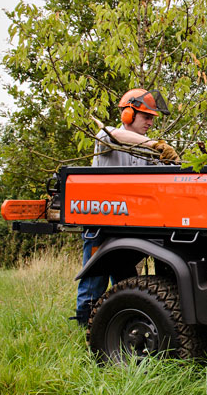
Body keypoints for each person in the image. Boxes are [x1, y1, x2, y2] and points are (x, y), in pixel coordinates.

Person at [73, 88, 180, 326]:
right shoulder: (108, 137)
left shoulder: (148, 150)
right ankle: (84, 328)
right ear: (128, 115)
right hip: (101, 223)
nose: (151, 122)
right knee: (94, 282)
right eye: (146, 117)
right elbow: (114, 136)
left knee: (127, 281)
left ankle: (119, 322)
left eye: (152, 118)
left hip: (130, 224)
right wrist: (156, 145)